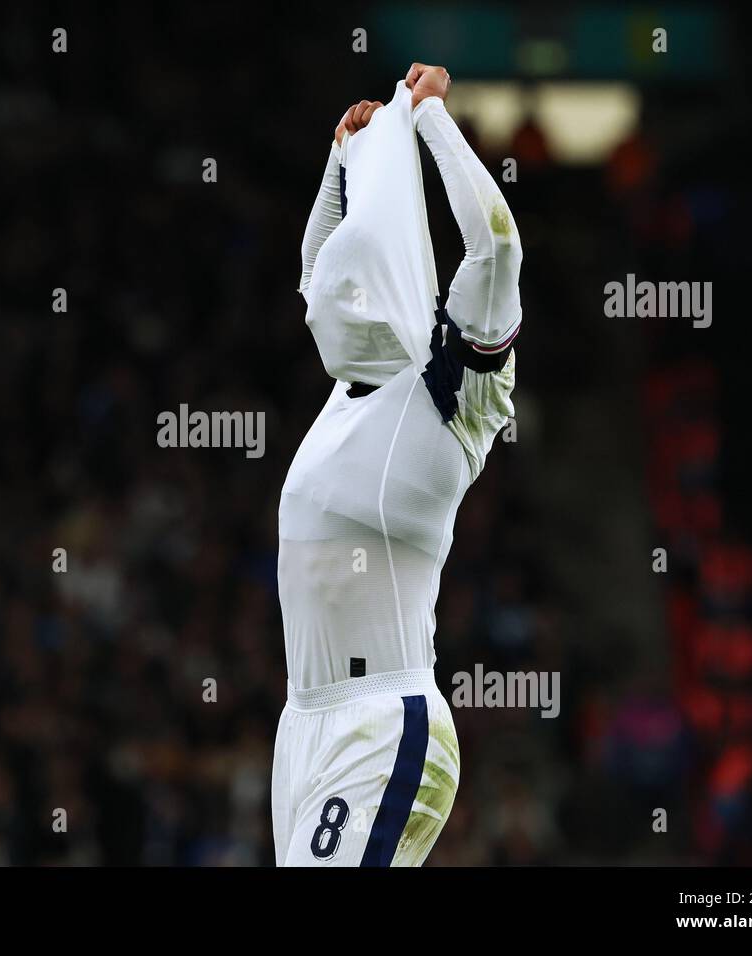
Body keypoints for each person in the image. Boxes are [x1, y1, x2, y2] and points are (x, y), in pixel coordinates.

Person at [272, 63, 522, 866]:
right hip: (304, 720)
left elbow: (497, 242)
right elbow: (320, 273)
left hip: (385, 714)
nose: (338, 303)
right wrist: (344, 160)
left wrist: (426, 120)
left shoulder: (454, 397)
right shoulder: (347, 398)